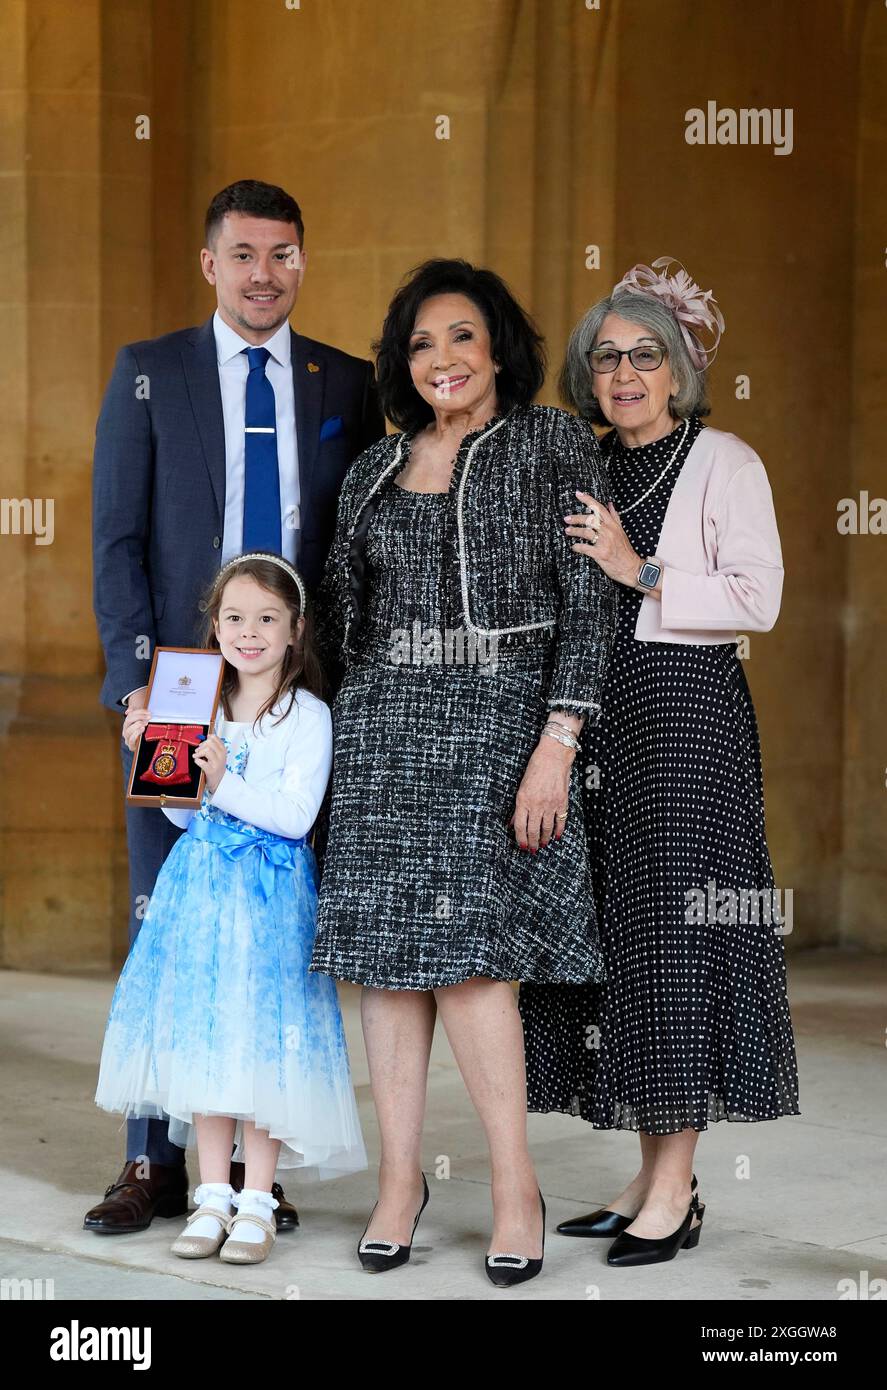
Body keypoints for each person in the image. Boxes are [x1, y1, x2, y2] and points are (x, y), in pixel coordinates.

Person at [310, 258, 616, 1286]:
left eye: (460, 336)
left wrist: (558, 740)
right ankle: (400, 1180)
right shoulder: (371, 469)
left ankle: (514, 1186)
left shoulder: (548, 443)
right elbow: (339, 617)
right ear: (404, 364)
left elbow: (591, 602)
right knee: (386, 968)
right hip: (381, 730)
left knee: (474, 961)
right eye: (420, 343)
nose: (442, 358)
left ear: (497, 348)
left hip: (500, 724)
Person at [88, 179, 385, 1235]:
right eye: (246, 254)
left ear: (302, 262)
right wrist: (136, 683)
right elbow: (116, 539)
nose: (266, 273)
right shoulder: (149, 372)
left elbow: (354, 547)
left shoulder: (344, 378)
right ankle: (149, 1162)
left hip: (292, 675)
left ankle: (258, 1173)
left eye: (284, 254)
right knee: (163, 912)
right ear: (211, 262)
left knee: (270, 929)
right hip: (173, 673)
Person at [519, 258, 800, 1268]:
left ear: (678, 370)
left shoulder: (724, 459)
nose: (625, 373)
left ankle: (675, 1189)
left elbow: (756, 597)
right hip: (598, 721)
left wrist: (634, 568)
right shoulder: (588, 462)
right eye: (607, 358)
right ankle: (646, 1175)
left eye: (645, 355)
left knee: (677, 944)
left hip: (686, 722)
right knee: (623, 943)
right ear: (587, 375)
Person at [95, 553, 367, 1265]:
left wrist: (221, 781)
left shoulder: (306, 716)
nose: (250, 633)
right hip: (201, 899)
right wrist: (153, 763)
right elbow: (184, 819)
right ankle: (210, 1197)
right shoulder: (198, 707)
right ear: (214, 628)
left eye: (267, 619)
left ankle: (257, 1200)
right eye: (235, 618)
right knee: (208, 1042)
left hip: (271, 900)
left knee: (263, 1044)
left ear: (295, 630)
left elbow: (295, 814)